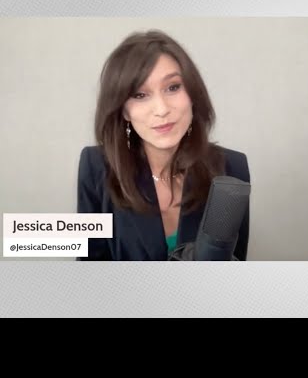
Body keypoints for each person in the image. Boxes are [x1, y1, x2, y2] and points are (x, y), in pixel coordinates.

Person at [77, 30, 250, 260]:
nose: (161, 109)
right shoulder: (96, 167)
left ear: (192, 94)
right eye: (140, 95)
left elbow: (234, 264)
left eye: (173, 87)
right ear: (123, 110)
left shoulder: (233, 167)